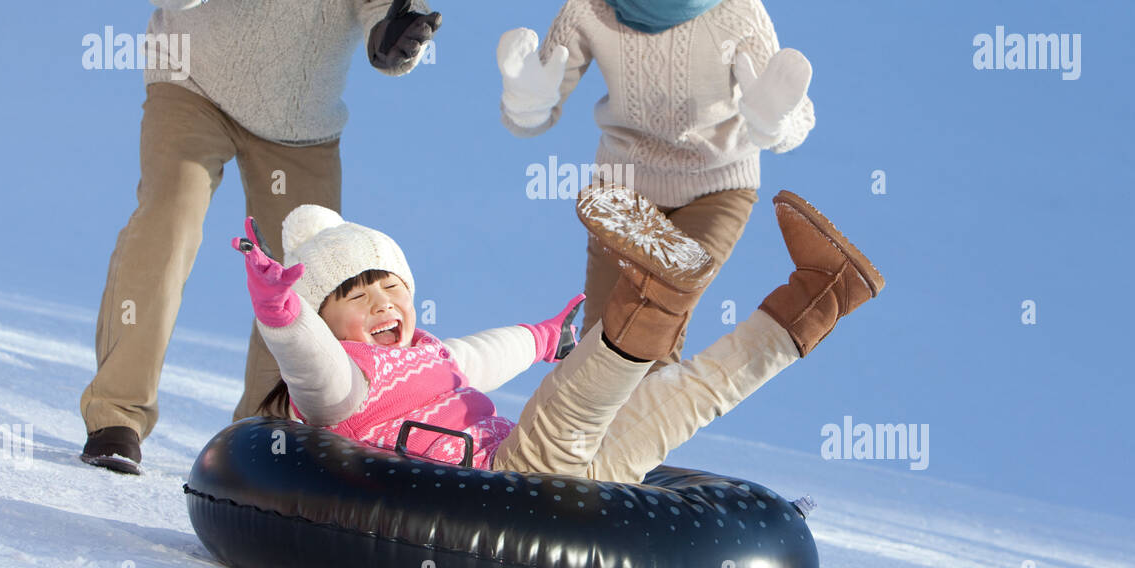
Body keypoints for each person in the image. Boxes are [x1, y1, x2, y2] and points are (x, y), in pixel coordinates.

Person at [80, 0, 441, 474]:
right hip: (196, 82)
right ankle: (117, 417)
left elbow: (390, 3)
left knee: (311, 278)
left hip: (301, 116)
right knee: (169, 218)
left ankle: (265, 440)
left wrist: (396, 41)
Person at [234, 184, 883, 484]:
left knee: (679, 397)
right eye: (354, 294)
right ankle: (655, 288)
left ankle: (819, 295)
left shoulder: (429, 356)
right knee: (573, 402)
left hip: (559, 483)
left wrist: (546, 339)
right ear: (325, 318)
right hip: (509, 482)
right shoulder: (341, 383)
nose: (380, 303)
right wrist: (280, 309)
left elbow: (486, 352)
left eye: (390, 286)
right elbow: (306, 359)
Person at [497, 0, 817, 371]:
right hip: (622, 184)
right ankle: (572, 444)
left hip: (716, 185)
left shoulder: (734, 3)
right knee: (603, 333)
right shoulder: (592, 2)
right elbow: (540, 107)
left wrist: (773, 121)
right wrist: (527, 103)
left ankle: (636, 447)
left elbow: (790, 114)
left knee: (657, 320)